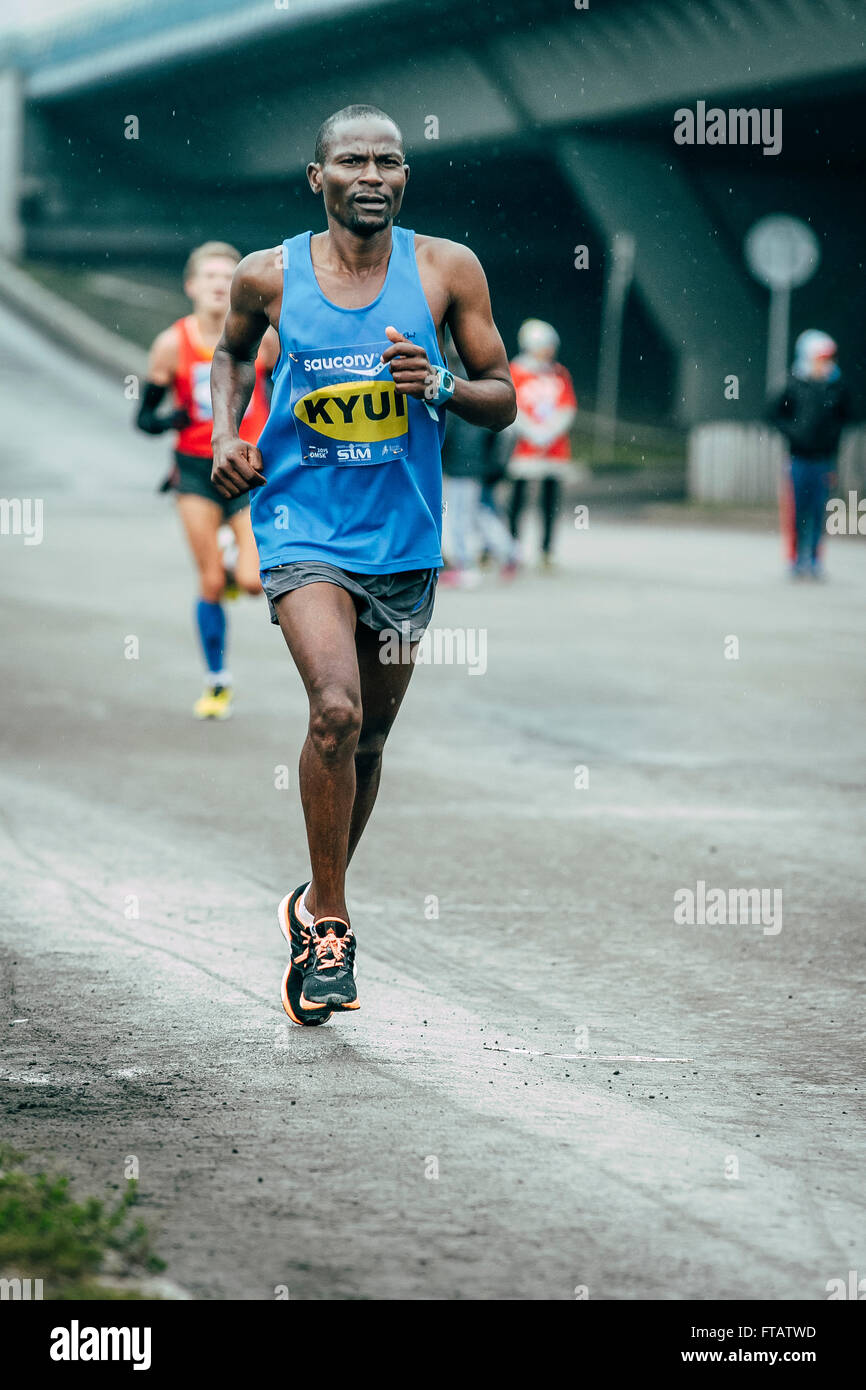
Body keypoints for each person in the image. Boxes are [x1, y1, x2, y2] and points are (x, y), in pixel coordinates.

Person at [208, 105, 515, 1024]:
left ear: (404, 178)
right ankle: (334, 925)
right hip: (301, 526)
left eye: (389, 160)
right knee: (334, 710)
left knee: (370, 738)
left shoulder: (444, 269)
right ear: (320, 179)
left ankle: (307, 899)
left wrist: (445, 388)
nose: (372, 174)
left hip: (406, 539)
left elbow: (503, 397)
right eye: (353, 161)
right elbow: (230, 359)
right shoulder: (269, 275)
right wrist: (227, 434)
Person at [136, 241, 279, 718]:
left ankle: (237, 555)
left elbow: (287, 397)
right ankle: (217, 681)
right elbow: (144, 419)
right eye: (211, 277)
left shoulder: (265, 339)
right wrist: (174, 418)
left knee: (254, 582)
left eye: (227, 276)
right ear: (191, 286)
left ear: (240, 285)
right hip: (196, 471)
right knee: (212, 582)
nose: (220, 284)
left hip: (246, 468)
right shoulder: (172, 344)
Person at [768, 330, 852, 580]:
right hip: (797, 459)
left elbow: (846, 417)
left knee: (818, 511)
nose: (826, 363)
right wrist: (794, 434)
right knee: (796, 510)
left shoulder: (836, 387)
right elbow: (774, 414)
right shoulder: (793, 384)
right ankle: (795, 559)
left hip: (824, 460)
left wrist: (830, 439)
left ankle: (814, 559)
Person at [507, 318, 577, 569]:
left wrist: (549, 432)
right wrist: (533, 432)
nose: (548, 350)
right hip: (523, 448)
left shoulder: (558, 373)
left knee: (550, 500)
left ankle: (546, 550)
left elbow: (567, 407)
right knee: (517, 499)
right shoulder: (515, 371)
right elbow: (510, 404)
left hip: (554, 449)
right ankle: (511, 547)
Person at [440, 369, 518, 587]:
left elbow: (449, 439)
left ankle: (465, 565)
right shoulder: (483, 404)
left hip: (461, 469)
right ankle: (509, 552)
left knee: (459, 517)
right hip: (476, 469)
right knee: (477, 513)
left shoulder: (453, 401)